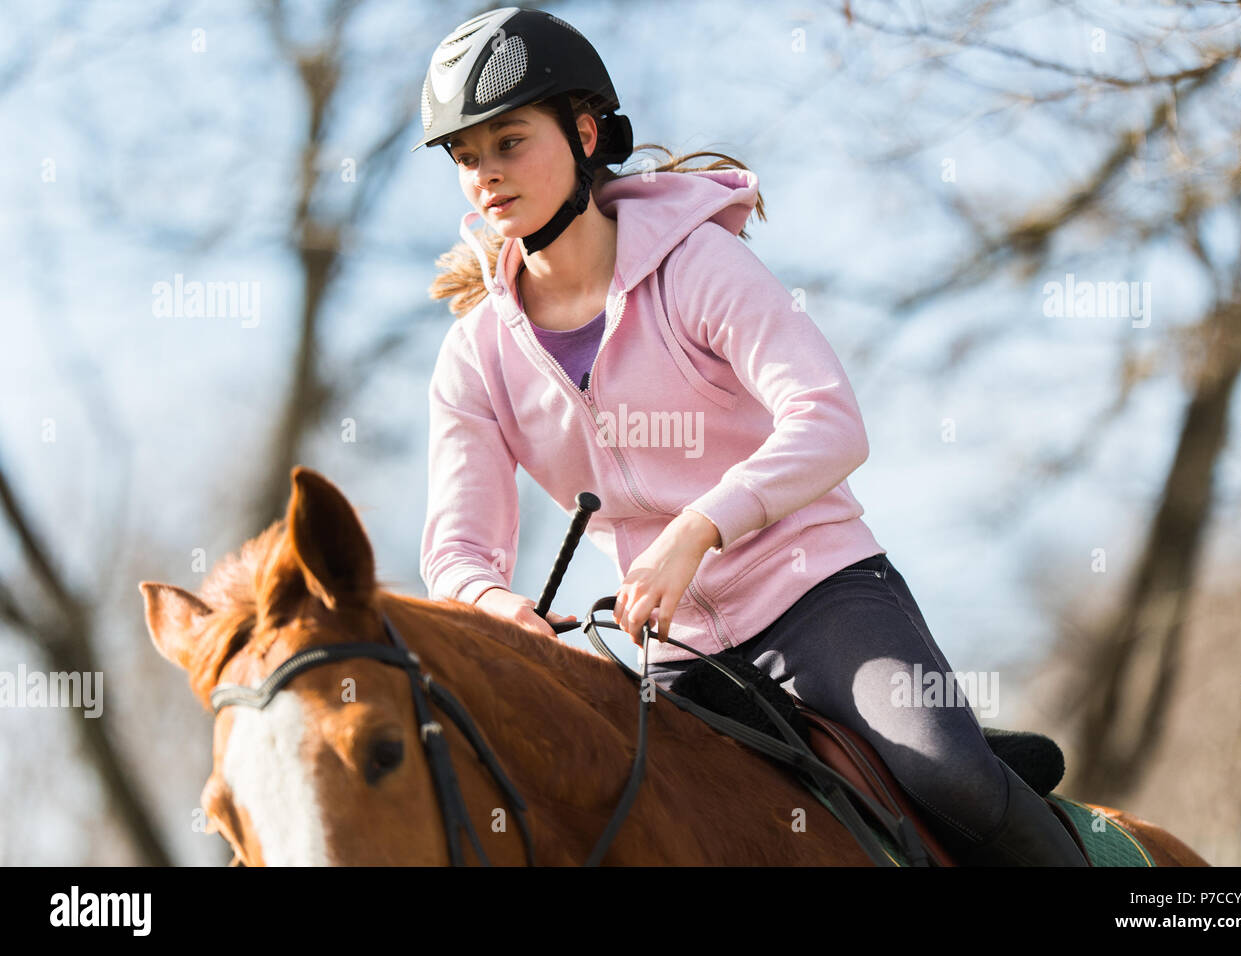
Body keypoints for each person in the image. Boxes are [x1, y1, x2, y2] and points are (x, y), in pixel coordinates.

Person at [414, 7, 1086, 867]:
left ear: (583, 133)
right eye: (466, 158)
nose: (485, 176)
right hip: (678, 648)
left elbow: (829, 420)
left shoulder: (699, 267)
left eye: (509, 142)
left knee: (951, 779)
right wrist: (498, 610)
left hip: (820, 597)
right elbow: (458, 553)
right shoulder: (474, 354)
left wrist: (698, 529)